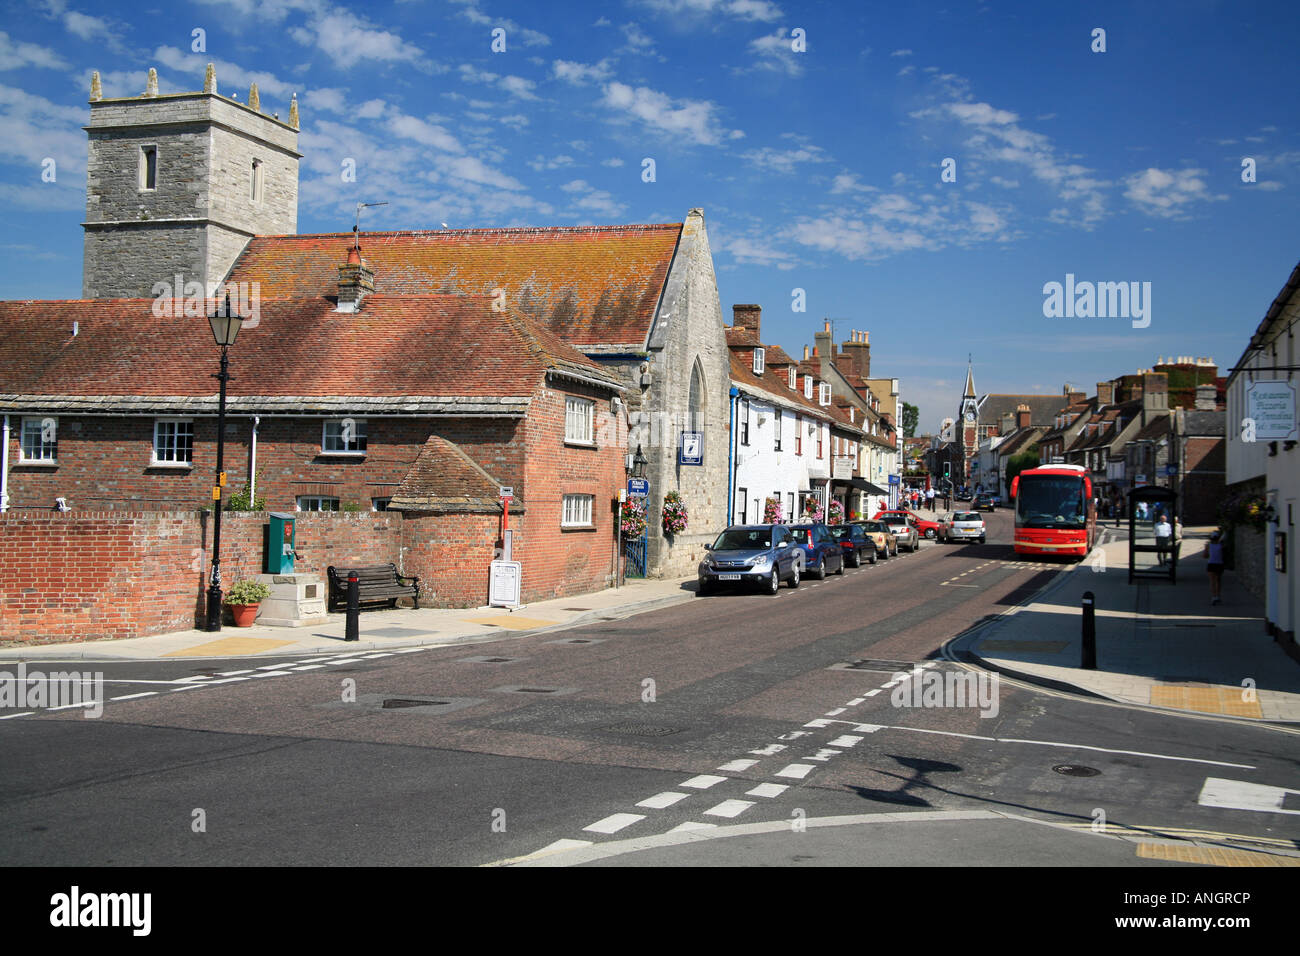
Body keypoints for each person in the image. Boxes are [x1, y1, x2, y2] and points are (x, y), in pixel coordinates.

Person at [1204, 530, 1225, 605]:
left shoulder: (1208, 545)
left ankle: (1214, 596)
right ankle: (1218, 596)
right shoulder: (1221, 545)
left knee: (1212, 581)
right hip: (1219, 563)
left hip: (1211, 563)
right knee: (1218, 580)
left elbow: (1205, 556)